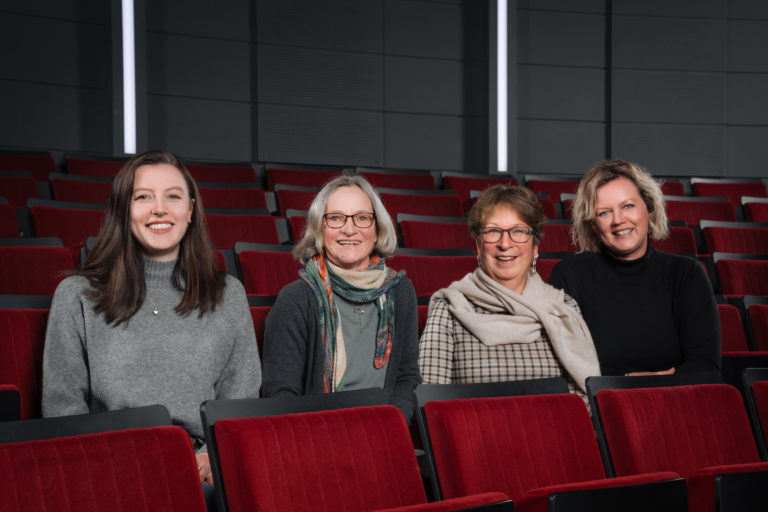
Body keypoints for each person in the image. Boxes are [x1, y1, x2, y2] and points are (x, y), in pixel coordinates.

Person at [42, 150, 261, 505]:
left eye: (172, 196)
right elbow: (63, 408)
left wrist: (211, 455)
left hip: (200, 467)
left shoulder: (227, 294)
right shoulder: (76, 295)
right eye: (143, 197)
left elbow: (240, 396)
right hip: (110, 464)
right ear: (122, 210)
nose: (159, 208)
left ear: (190, 210)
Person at [262, 174, 420, 420]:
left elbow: (406, 377)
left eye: (362, 218)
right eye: (335, 218)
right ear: (318, 229)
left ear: (377, 230)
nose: (349, 229)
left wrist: (391, 427)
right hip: (317, 437)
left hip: (385, 433)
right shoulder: (296, 299)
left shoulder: (401, 292)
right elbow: (281, 396)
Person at [418, 185, 599, 394]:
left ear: (535, 247)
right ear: (478, 246)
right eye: (493, 231)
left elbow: (583, 397)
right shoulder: (448, 310)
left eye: (518, 231)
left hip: (551, 426)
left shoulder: (564, 307)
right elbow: (430, 400)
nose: (505, 244)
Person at [548, 159, 721, 376]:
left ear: (648, 209)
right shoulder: (569, 275)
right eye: (604, 213)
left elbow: (706, 367)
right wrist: (628, 381)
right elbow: (562, 364)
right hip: (597, 402)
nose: (618, 220)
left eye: (628, 206)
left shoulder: (686, 274)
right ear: (593, 224)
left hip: (675, 401)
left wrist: (657, 385)